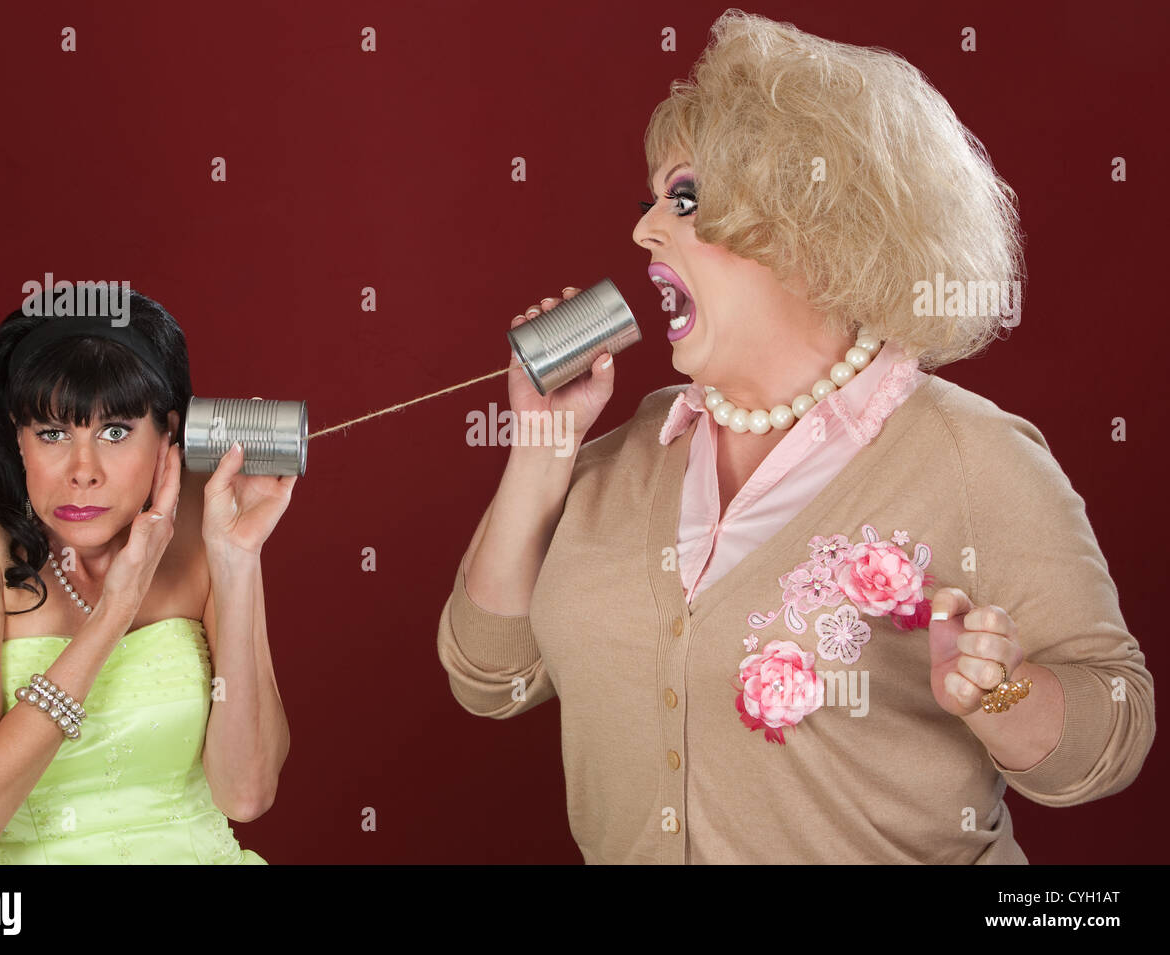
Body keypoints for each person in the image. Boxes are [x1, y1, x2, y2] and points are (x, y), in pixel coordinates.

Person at [436, 9, 1154, 863]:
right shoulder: (625, 453)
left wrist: (997, 694)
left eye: (687, 199)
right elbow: (491, 680)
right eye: (652, 199)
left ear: (813, 231)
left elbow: (1113, 735)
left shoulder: (971, 454)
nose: (642, 231)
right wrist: (541, 455)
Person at [0, 289, 294, 864]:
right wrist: (115, 610)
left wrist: (236, 557)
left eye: (115, 432)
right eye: (53, 433)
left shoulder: (204, 516)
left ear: (168, 433)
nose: (82, 472)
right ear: (17, 436)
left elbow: (246, 793)